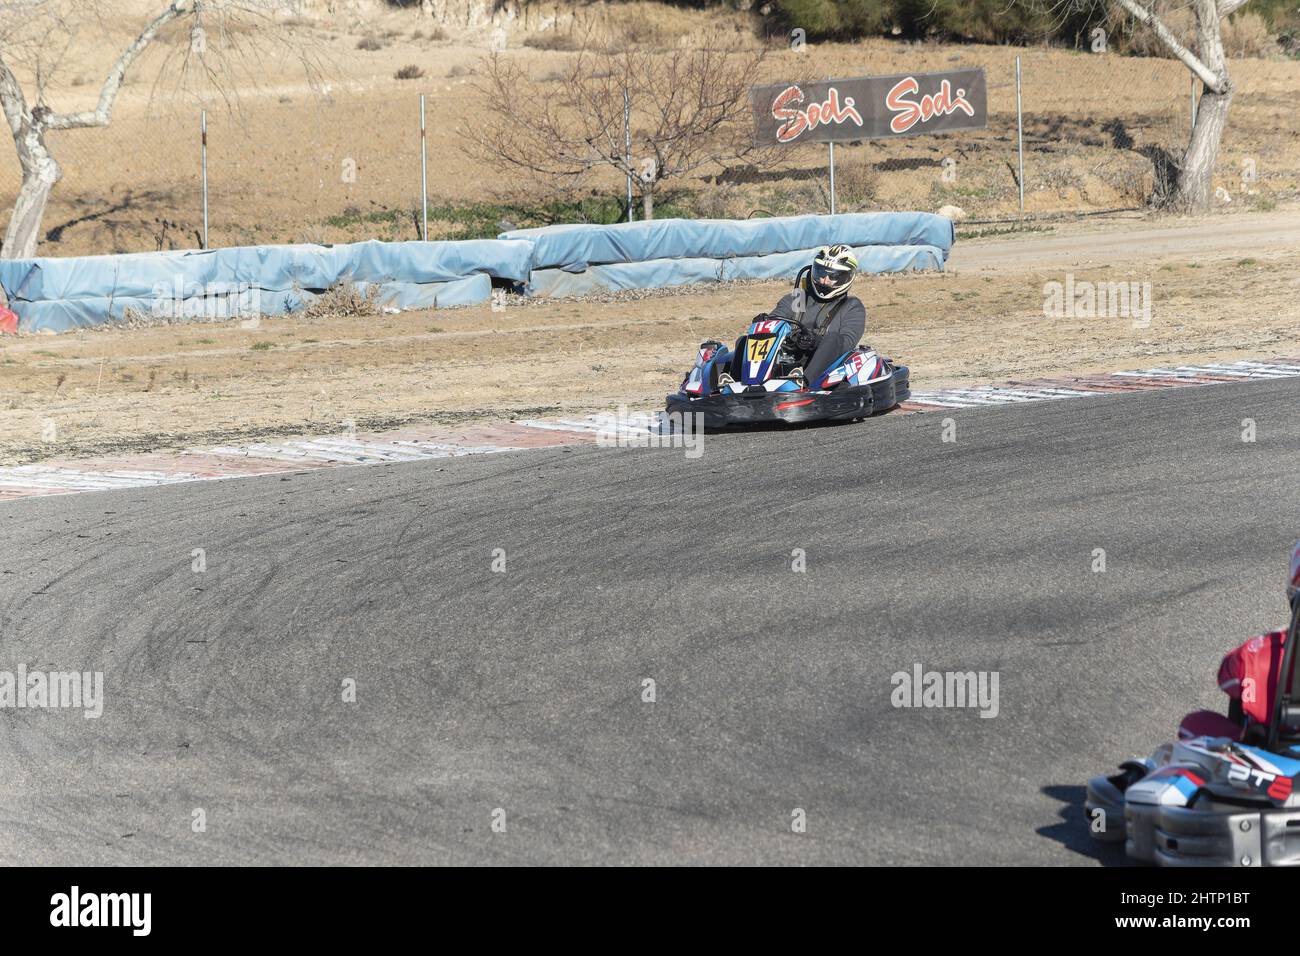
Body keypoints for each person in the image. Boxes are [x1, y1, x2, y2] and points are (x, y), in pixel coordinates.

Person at [1177, 541, 1300, 742]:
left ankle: (1245, 742)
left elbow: (1229, 675)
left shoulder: (1259, 654)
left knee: (1194, 724)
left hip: (1274, 754)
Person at [764, 244, 866, 386]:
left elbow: (847, 343)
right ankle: (743, 381)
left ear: (846, 277)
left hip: (826, 367)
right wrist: (764, 322)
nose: (824, 280)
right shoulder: (798, 299)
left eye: (833, 276)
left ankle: (805, 383)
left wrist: (815, 341)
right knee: (745, 340)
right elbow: (776, 319)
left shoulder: (851, 306)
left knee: (834, 339)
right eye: (821, 273)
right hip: (790, 357)